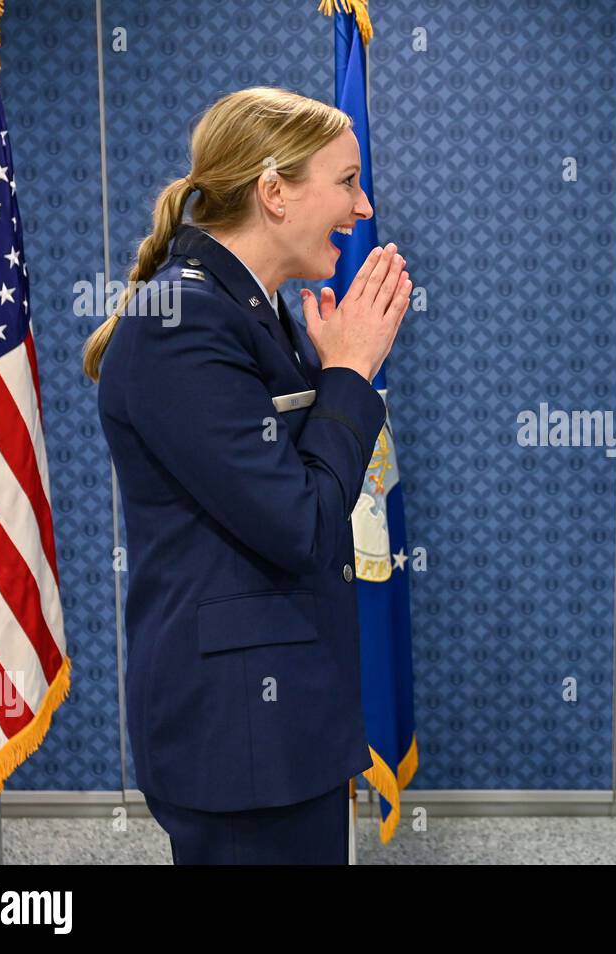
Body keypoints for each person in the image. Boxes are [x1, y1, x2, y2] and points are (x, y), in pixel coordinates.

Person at [82, 87, 411, 864]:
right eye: (347, 181)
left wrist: (338, 375)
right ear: (273, 191)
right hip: (241, 738)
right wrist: (352, 375)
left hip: (283, 721)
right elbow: (301, 523)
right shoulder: (184, 324)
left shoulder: (251, 311)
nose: (363, 207)